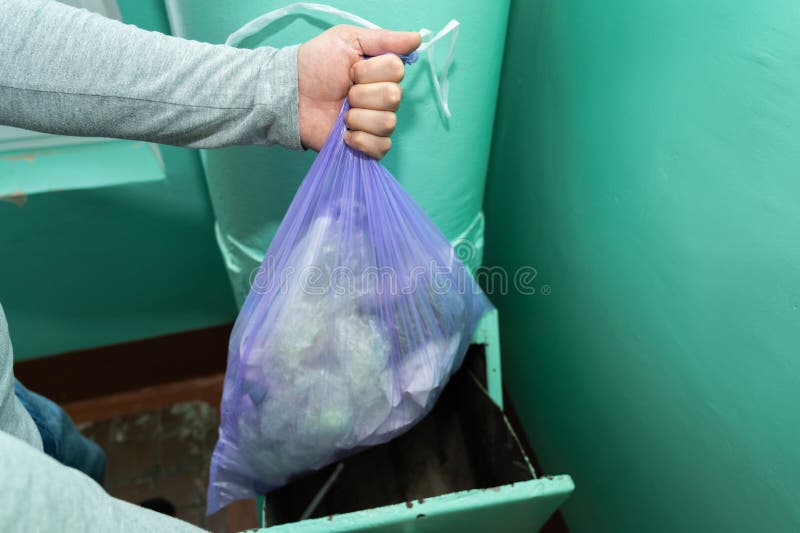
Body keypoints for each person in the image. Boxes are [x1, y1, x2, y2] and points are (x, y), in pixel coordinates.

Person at [0, 0, 420, 530]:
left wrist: (284, 87)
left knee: (69, 452)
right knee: (71, 484)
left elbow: (10, 44)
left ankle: (102, 486)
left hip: (9, 396)